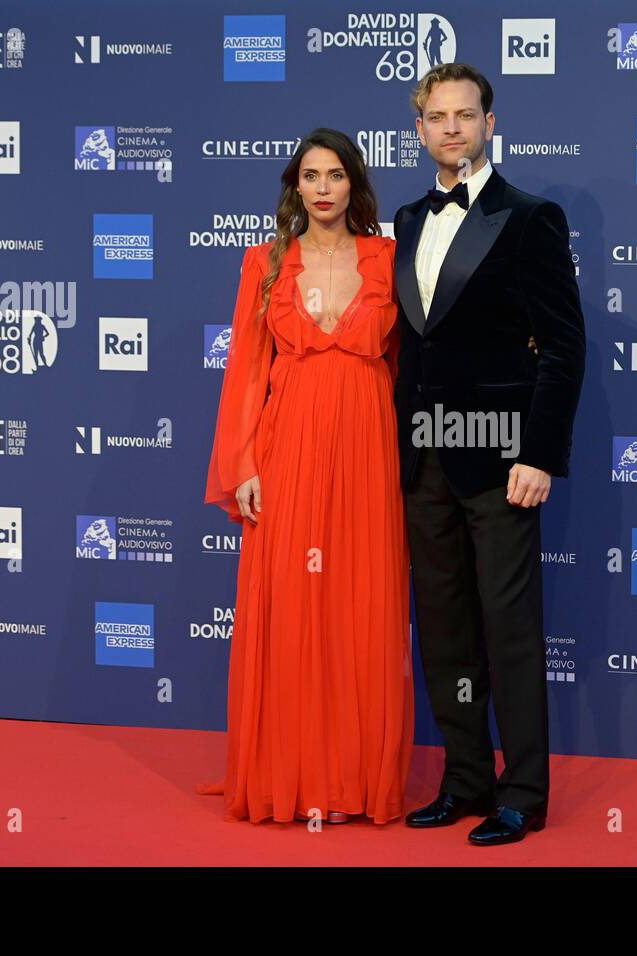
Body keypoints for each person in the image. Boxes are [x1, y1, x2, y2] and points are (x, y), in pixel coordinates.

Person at [393, 64, 586, 845]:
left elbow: (564, 347)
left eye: (464, 115)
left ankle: (522, 794)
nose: (451, 128)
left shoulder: (531, 217)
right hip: (423, 462)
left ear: (489, 123)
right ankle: (465, 779)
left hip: (503, 460)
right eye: (437, 117)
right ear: (420, 131)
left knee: (509, 630)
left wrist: (538, 453)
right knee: (442, 629)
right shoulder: (407, 219)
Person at [198, 128, 413, 826]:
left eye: (336, 174)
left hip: (367, 450)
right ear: (295, 186)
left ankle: (353, 780)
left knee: (358, 605)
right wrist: (244, 463)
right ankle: (289, 775)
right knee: (291, 606)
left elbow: (420, 363)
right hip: (287, 449)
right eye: (310, 175)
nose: (323, 187)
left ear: (356, 184)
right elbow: (246, 373)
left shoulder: (388, 258)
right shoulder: (263, 263)